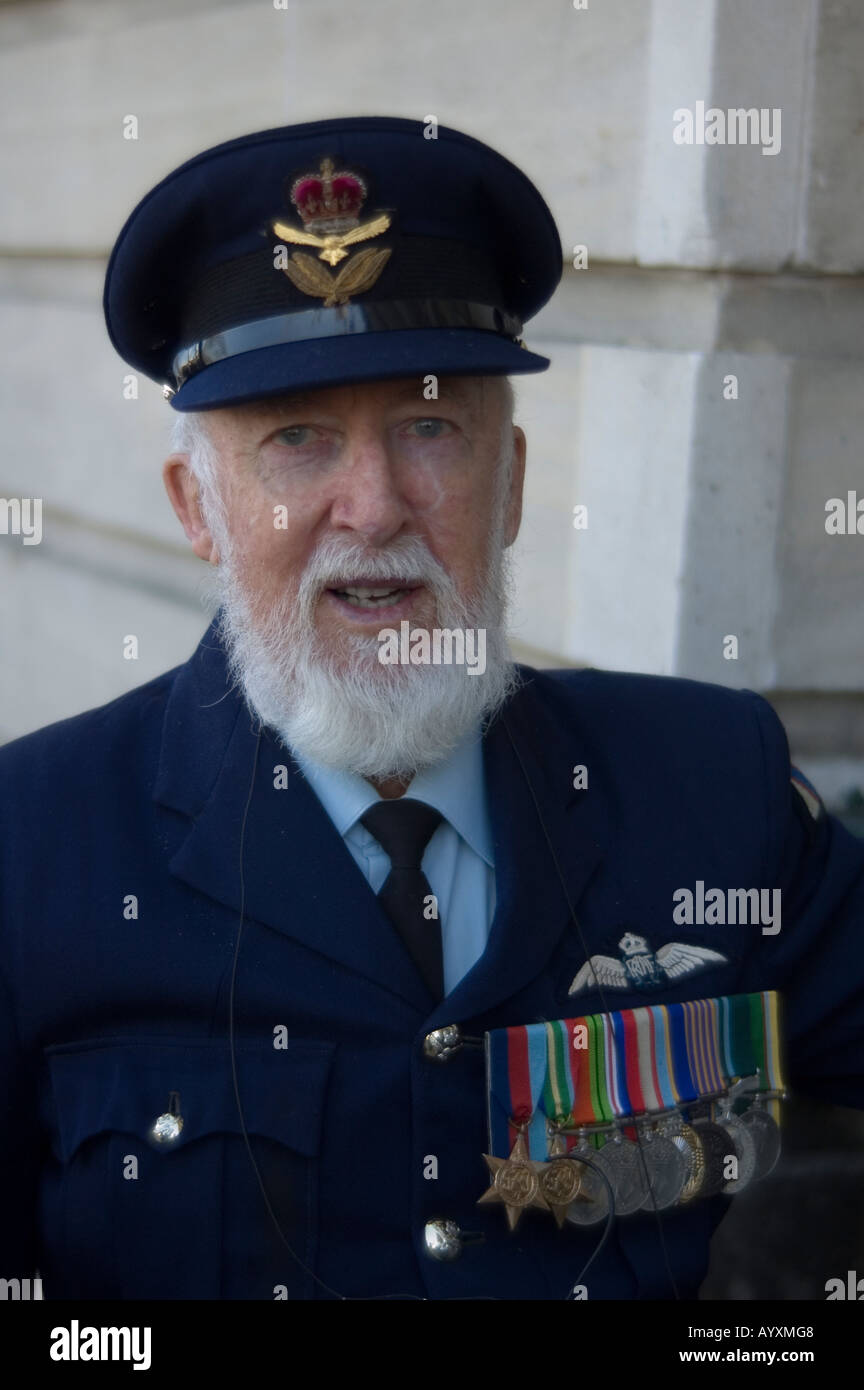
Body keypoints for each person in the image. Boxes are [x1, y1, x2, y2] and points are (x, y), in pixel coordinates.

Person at [0, 116, 862, 1302]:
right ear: (196, 512)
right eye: (297, 439)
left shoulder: (712, 785)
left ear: (508, 484)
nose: (375, 506)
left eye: (429, 427)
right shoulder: (32, 843)